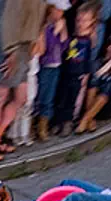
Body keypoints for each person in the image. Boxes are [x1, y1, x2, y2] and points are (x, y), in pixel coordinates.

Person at [0, 0, 46, 160]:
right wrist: (10, 50)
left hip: (25, 44)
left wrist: (37, 37)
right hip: (10, 44)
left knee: (20, 97)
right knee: (1, 95)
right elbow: (8, 18)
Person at [51, 1, 98, 137]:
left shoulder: (88, 41)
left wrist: (86, 74)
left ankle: (67, 122)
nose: (80, 23)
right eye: (78, 20)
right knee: (61, 96)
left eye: (84, 21)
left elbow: (89, 60)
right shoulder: (73, 36)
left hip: (78, 74)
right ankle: (57, 121)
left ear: (91, 22)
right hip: (66, 71)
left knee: (72, 98)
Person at [76, 33, 111, 134]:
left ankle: (85, 119)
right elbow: (96, 75)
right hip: (91, 103)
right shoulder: (98, 62)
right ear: (109, 48)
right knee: (94, 81)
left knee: (108, 86)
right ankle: (90, 119)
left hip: (109, 106)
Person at [35, 0, 71, 141]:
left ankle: (43, 125)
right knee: (42, 95)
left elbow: (64, 47)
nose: (61, 14)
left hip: (56, 65)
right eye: (59, 10)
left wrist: (62, 32)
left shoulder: (61, 24)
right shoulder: (45, 27)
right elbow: (46, 49)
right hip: (45, 66)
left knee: (49, 96)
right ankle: (36, 125)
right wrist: (55, 31)